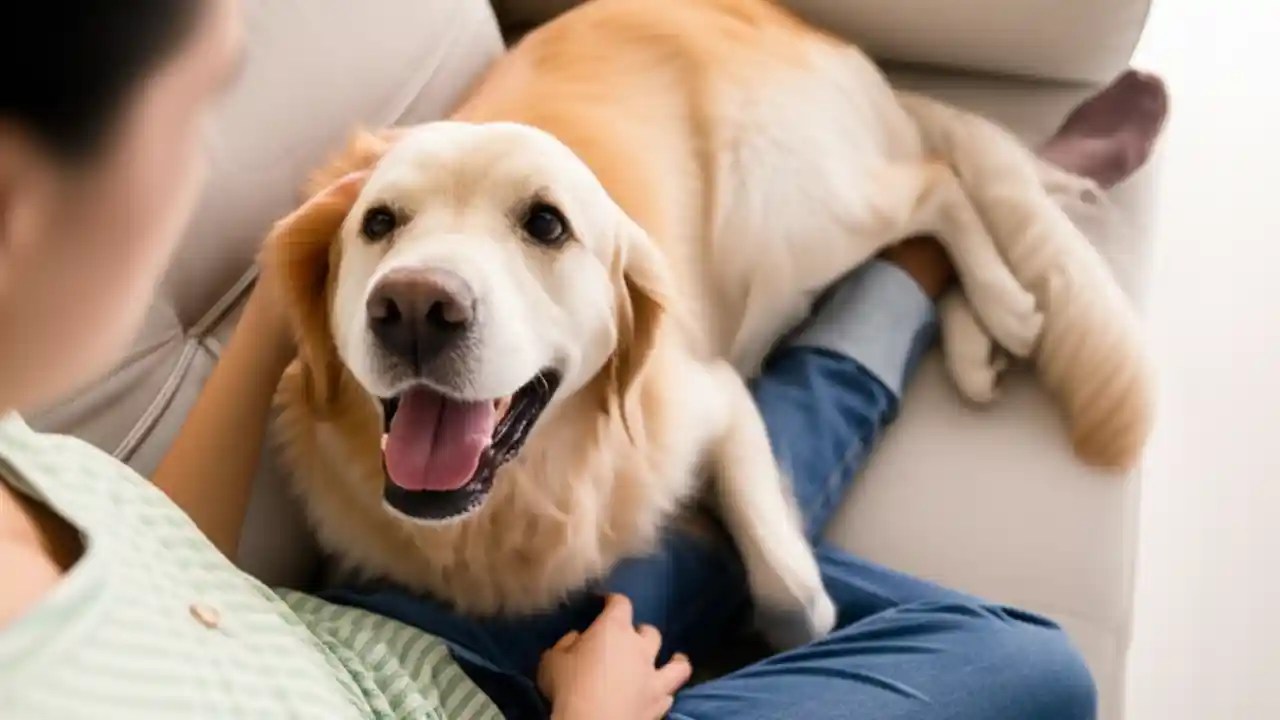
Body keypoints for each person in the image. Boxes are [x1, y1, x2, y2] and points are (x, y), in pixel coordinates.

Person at [0, 1, 1167, 718]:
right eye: (199, 109)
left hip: (401, 631)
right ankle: (921, 264)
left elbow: (165, 562)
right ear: (16, 194)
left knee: (701, 492)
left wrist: (287, 292)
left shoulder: (15, 459)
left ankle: (916, 259)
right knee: (1030, 668)